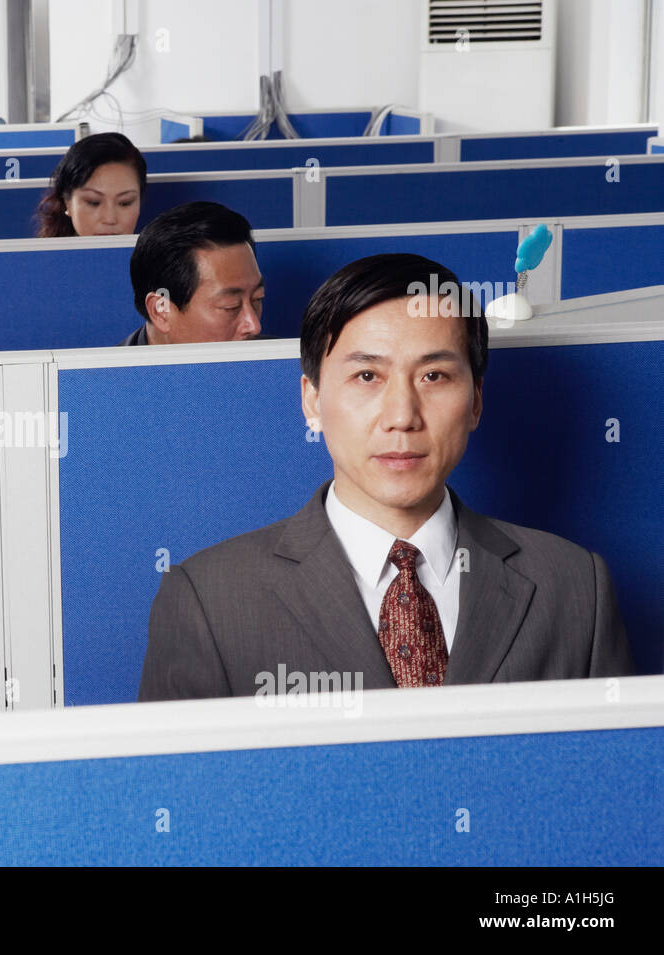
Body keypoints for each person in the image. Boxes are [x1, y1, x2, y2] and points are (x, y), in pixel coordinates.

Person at [137, 253, 634, 700]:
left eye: (434, 376)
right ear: (312, 400)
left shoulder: (574, 589)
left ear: (476, 400)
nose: (402, 415)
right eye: (367, 377)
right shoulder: (209, 601)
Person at [122, 201, 263, 345]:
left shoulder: (282, 361)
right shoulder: (112, 368)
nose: (255, 326)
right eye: (230, 306)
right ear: (161, 312)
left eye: (257, 299)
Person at [35, 132, 146, 238]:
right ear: (67, 203)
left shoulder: (157, 256)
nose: (109, 219)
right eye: (93, 203)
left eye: (125, 203)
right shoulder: (41, 257)